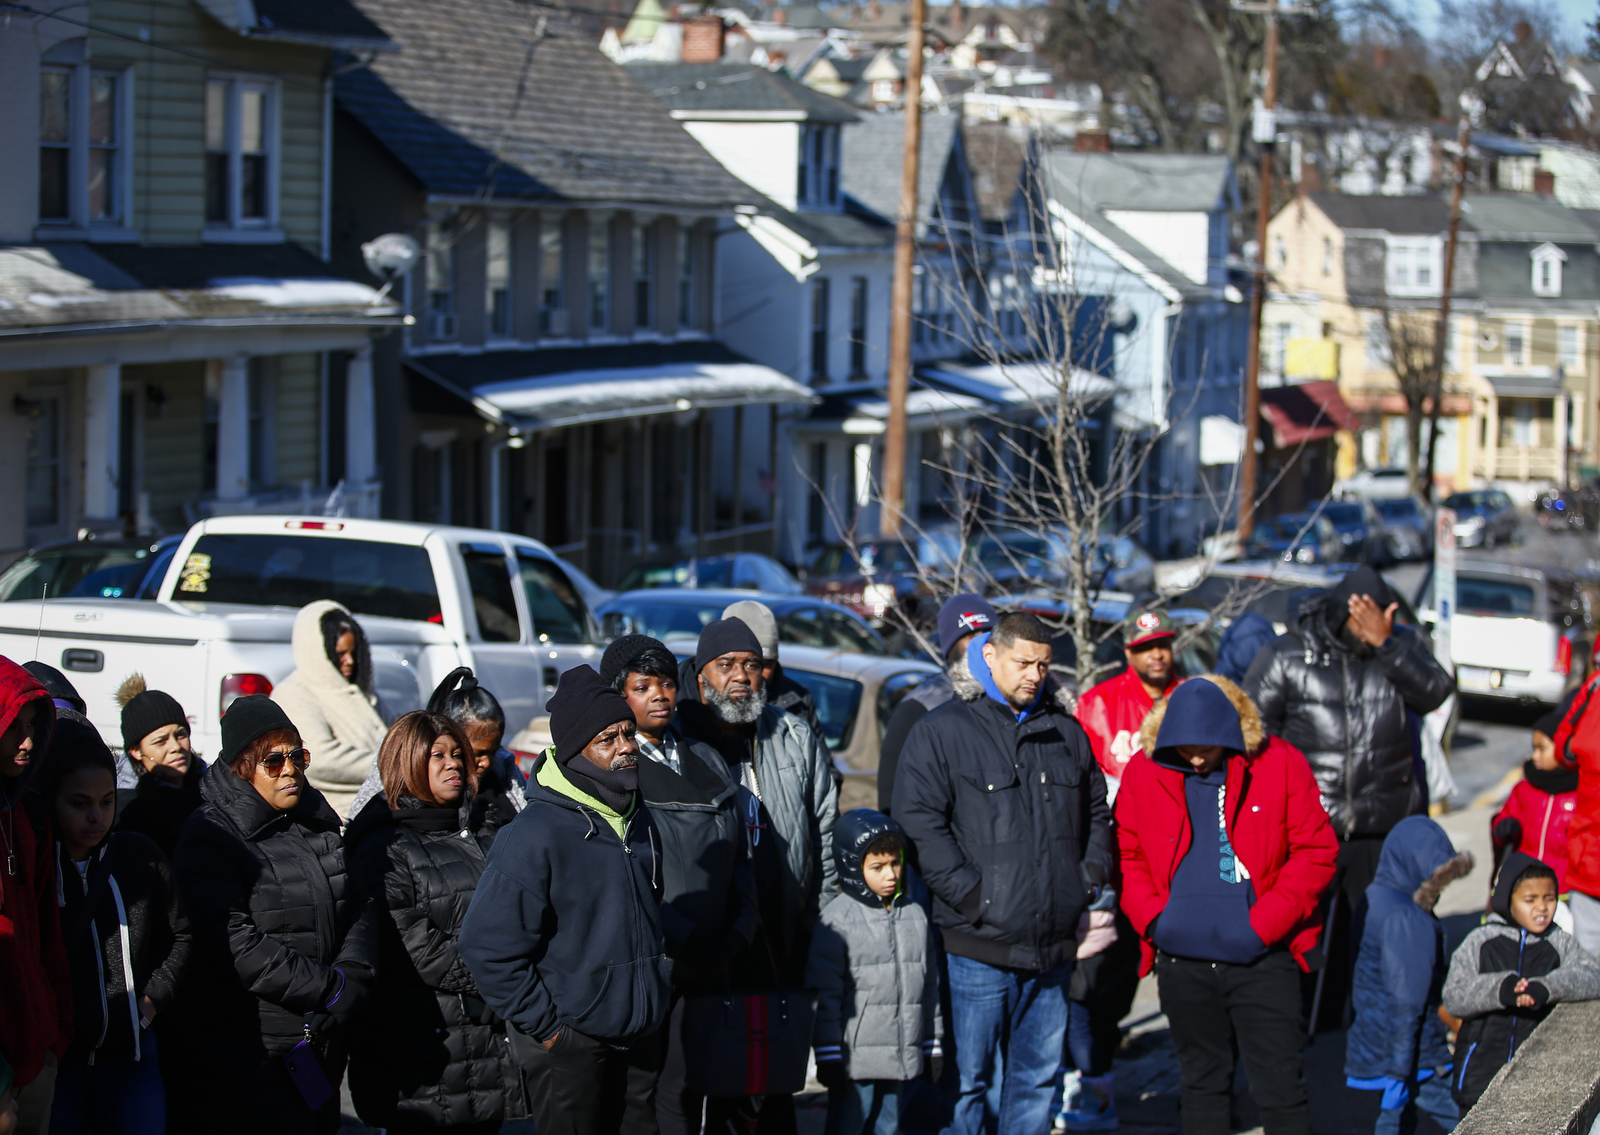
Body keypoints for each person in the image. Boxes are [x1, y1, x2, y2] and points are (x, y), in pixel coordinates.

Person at [893, 612, 1114, 1135]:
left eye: (1043, 664)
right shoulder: (941, 730)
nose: (1034, 675)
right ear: (989, 657)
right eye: (1023, 663)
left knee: (1038, 1078)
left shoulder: (1066, 732)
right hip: (976, 948)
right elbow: (918, 825)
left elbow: (1099, 812)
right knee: (968, 1082)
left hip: (1055, 944)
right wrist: (974, 899)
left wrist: (1086, 882)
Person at [1117, 676, 1338, 1135]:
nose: (1196, 758)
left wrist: (1263, 925)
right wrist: (1157, 921)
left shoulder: (1278, 763)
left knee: (1280, 1090)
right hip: (1182, 958)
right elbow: (1126, 851)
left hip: (1263, 957)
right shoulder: (1145, 769)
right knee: (1201, 1086)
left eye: (1207, 748)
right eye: (1185, 748)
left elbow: (1316, 852)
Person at [460, 666, 670, 1135]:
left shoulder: (639, 818)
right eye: (608, 740)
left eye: (627, 733)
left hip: (639, 1036)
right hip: (574, 1044)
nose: (626, 747)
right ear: (576, 752)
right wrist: (553, 1031)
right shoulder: (534, 834)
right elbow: (486, 946)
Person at [1244, 566, 1454, 1024]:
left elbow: (1436, 691)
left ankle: (1369, 1033)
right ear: (1353, 611)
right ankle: (1307, 1026)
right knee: (1309, 940)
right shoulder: (1287, 655)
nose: (1394, 617)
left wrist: (1387, 644)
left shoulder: (1399, 649)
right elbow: (1252, 732)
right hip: (1311, 828)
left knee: (1379, 939)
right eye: (1385, 611)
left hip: (1384, 827)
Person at [167, 695, 377, 1135]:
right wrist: (327, 989)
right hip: (250, 1049)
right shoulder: (211, 835)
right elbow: (235, 943)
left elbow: (357, 902)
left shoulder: (315, 819)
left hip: (319, 1039)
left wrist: (352, 972)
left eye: (297, 756)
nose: (290, 770)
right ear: (243, 766)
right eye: (273, 761)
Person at [600, 634, 759, 1135]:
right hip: (653, 957)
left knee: (692, 1085)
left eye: (668, 684)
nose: (660, 696)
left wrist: (739, 928)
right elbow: (621, 869)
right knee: (641, 1089)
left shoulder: (707, 760)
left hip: (713, 959)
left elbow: (739, 857)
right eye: (643, 686)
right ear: (618, 695)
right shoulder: (613, 769)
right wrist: (680, 933)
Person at [345, 711, 523, 1134]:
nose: (454, 764)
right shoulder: (383, 843)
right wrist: (500, 976)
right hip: (423, 1046)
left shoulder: (487, 828)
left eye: (458, 754)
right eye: (437, 755)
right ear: (407, 762)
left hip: (488, 1041)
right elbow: (413, 943)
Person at [1056, 606, 1182, 1132]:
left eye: (1164, 644)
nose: (1157, 654)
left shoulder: (1191, 696)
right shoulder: (1100, 704)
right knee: (1104, 978)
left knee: (1164, 978)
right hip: (1118, 867)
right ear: (1128, 651)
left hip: (1176, 868)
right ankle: (1093, 1072)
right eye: (1146, 646)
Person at [47, 715, 191, 1135]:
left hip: (133, 1061)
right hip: (62, 1069)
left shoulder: (138, 857)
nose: (95, 816)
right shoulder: (36, 870)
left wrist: (149, 1003)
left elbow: (180, 935)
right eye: (79, 803)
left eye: (107, 801)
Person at [674, 616, 839, 984]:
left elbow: (824, 832)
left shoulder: (792, 735)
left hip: (784, 936)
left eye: (751, 664)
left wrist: (816, 923)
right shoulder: (675, 740)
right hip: (704, 947)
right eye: (726, 665)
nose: (741, 676)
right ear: (702, 676)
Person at [807, 809, 941, 1135]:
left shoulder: (914, 915)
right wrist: (827, 1054)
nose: (891, 874)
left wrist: (931, 1045)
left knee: (889, 1125)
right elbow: (825, 994)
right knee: (849, 1124)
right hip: (855, 1060)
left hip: (900, 1052)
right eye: (877, 867)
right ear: (854, 867)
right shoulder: (837, 921)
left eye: (895, 862)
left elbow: (929, 986)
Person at [1342, 816, 1473, 1135]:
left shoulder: (1377, 897)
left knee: (1401, 1118)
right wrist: (1399, 1072)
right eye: (1435, 880)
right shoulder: (1407, 919)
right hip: (1411, 1052)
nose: (1439, 891)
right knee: (1468, 1117)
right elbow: (1407, 1003)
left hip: (1378, 1040)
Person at [1443, 852, 1600, 1113]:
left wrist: (1547, 987)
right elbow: (1454, 996)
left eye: (1549, 898)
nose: (1542, 907)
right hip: (1479, 1076)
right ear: (1507, 901)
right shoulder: (1480, 941)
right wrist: (1502, 990)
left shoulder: (1559, 942)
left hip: (1540, 1076)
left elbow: (1592, 976)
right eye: (1530, 899)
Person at [0, 660, 71, 1135]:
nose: (27, 742)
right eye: (14, 727)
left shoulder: (24, 815)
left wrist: (53, 1036)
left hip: (35, 1049)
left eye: (33, 727)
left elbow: (45, 926)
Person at [876, 594, 995, 815]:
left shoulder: (1014, 699)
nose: (980, 644)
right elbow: (893, 796)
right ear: (950, 647)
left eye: (986, 635)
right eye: (970, 636)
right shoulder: (920, 706)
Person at [271, 600, 388, 821]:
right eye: (340, 654)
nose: (350, 661)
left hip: (381, 809)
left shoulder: (361, 692)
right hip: (337, 819)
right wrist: (390, 765)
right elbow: (318, 758)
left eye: (354, 652)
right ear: (317, 651)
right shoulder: (294, 694)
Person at [113, 675, 205, 859]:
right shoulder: (127, 809)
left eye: (181, 735)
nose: (176, 747)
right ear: (136, 751)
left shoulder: (211, 791)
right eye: (160, 741)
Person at [1490, 710, 1577, 896]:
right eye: (1533, 748)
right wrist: (1502, 826)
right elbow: (1506, 815)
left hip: (1562, 890)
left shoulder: (1579, 793)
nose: (1535, 756)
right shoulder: (1524, 788)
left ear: (1565, 748)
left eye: (1542, 748)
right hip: (1524, 884)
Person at [1551, 670, 1600, 953]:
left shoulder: (1594, 686)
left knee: (1586, 964)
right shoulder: (1594, 686)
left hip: (1587, 851)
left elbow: (1564, 748)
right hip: (1588, 852)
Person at [723, 600, 822, 737]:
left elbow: (818, 756)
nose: (756, 675)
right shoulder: (698, 702)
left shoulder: (798, 700)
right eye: (749, 664)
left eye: (766, 664)